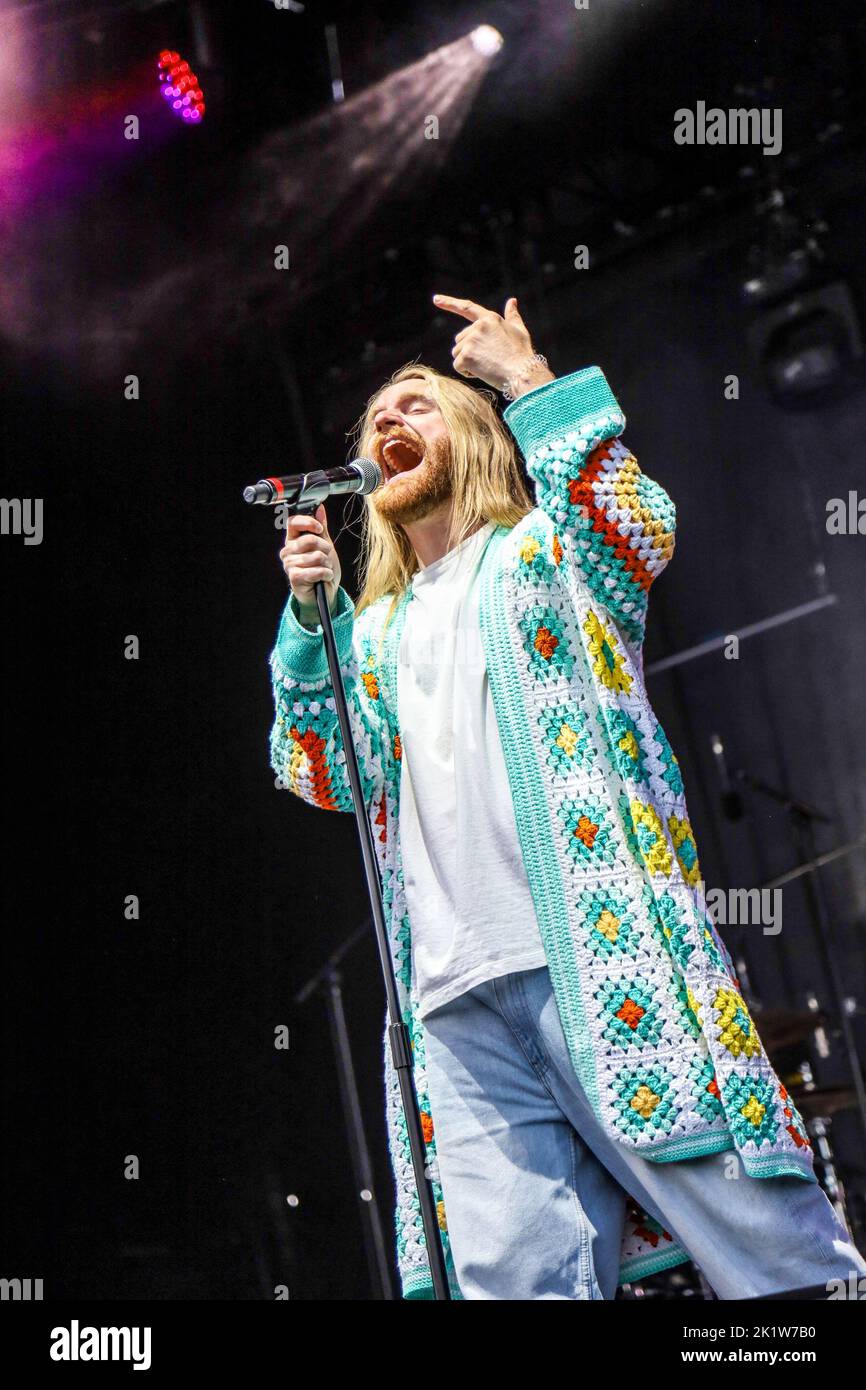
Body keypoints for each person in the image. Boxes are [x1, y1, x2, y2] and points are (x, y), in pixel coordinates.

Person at [268, 293, 866, 1299]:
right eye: (376, 417)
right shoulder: (369, 636)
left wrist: (527, 382)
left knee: (764, 1247)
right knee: (514, 1279)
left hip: (592, 956)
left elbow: (633, 522)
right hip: (447, 1001)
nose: (388, 422)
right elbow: (316, 769)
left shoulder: (542, 559)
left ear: (472, 439)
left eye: (417, 402)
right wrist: (306, 615)